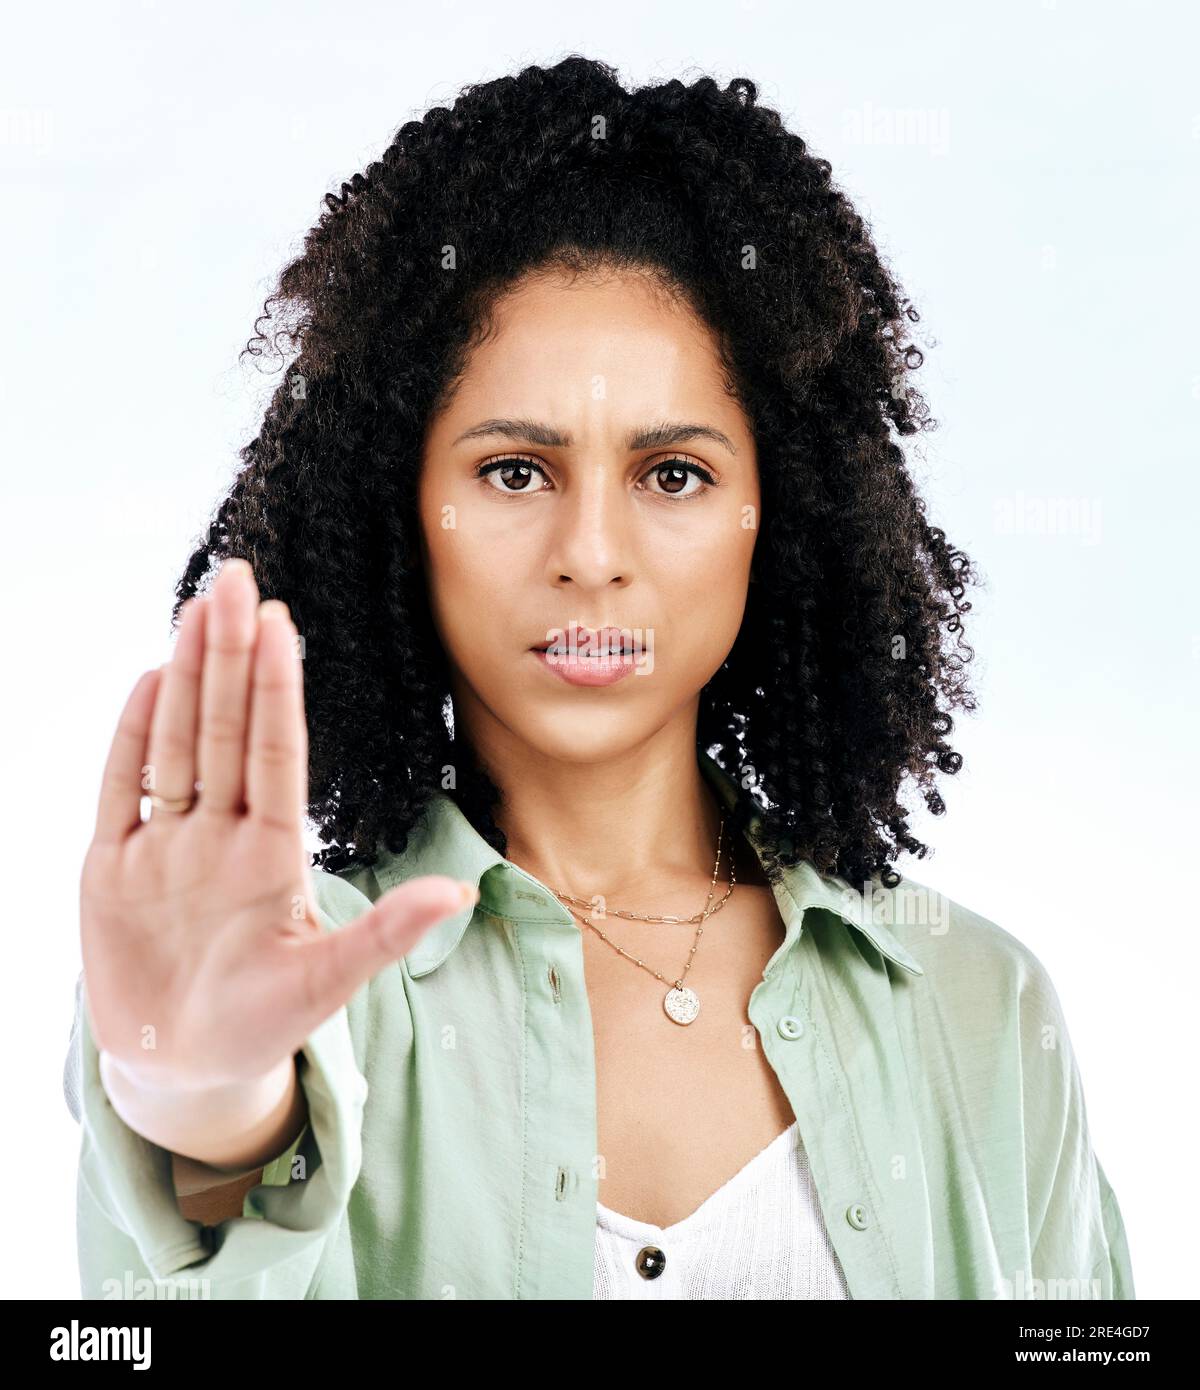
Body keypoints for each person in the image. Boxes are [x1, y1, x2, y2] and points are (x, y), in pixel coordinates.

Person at [66, 55, 1134, 1300]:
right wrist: (200, 1103)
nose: (591, 556)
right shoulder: (285, 985)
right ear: (398, 508)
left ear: (772, 515)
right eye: (515, 470)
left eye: (672, 473)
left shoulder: (983, 1008)